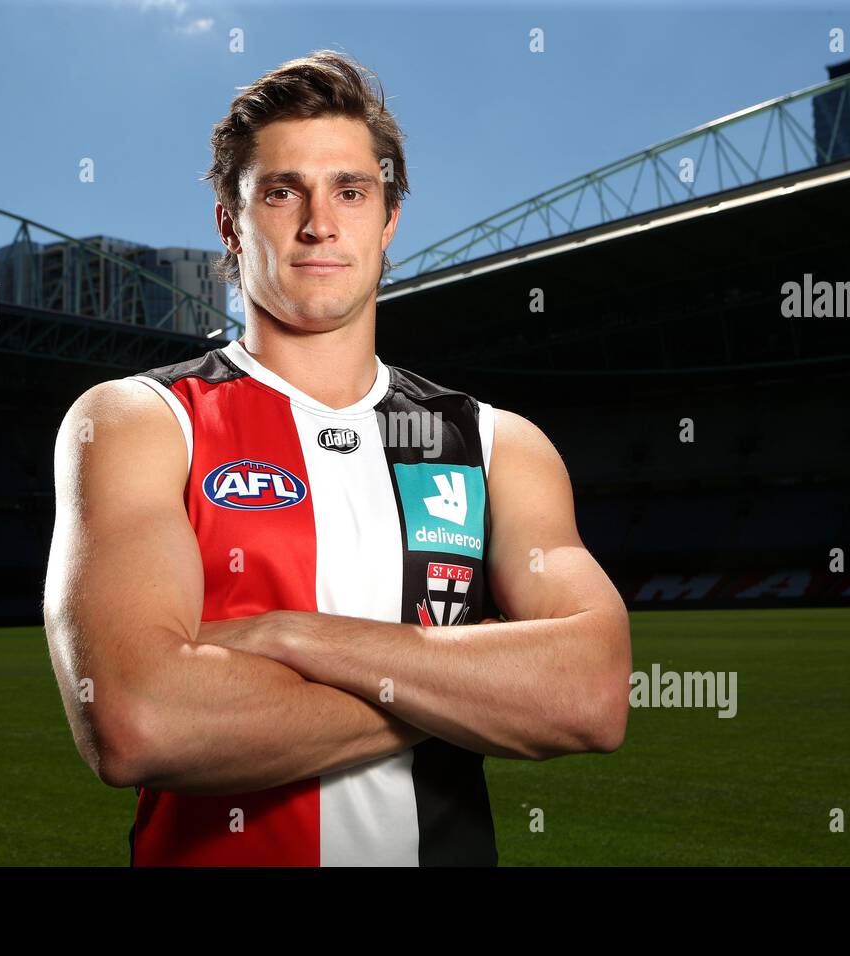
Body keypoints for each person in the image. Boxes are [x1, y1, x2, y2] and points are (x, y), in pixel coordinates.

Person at [43, 50, 631, 866]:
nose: (320, 223)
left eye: (351, 192)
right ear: (229, 224)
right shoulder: (139, 422)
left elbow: (592, 692)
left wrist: (292, 636)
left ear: (388, 221)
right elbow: (136, 720)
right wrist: (471, 680)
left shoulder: (497, 444)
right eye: (282, 192)